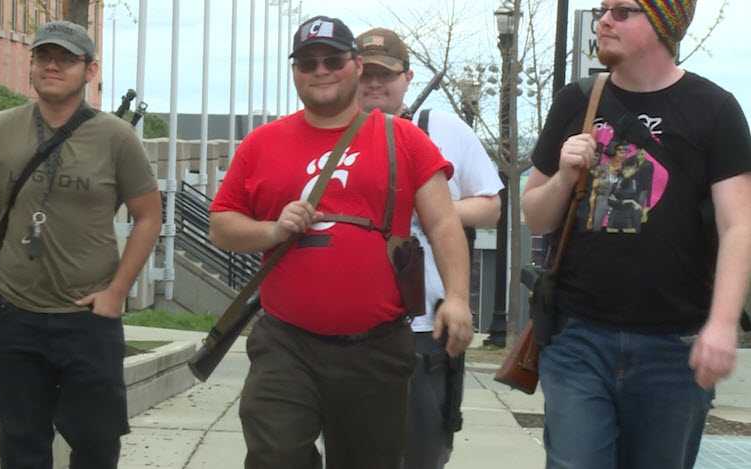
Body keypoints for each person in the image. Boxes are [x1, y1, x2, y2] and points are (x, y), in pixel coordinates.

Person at [209, 15, 472, 469]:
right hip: (285, 342)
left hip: (376, 345)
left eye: (333, 59)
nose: (321, 70)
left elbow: (445, 223)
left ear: (355, 66)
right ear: (295, 72)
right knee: (274, 454)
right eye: (308, 62)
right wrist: (271, 230)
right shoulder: (261, 143)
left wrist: (458, 299)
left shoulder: (404, 139)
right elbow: (221, 224)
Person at [522, 1, 751, 468]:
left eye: (623, 11)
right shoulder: (577, 101)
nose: (604, 20)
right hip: (578, 336)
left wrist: (723, 324)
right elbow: (534, 216)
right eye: (604, 9)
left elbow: (739, 225)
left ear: (665, 24)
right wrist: (564, 177)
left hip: (672, 349)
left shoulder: (714, 109)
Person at [0, 21, 161, 469]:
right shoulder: (0, 129)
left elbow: (149, 216)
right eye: (44, 56)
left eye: (66, 58)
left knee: (96, 446)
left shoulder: (116, 137)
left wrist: (116, 292)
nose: (53, 65)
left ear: (89, 70)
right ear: (31, 65)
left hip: (88, 319)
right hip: (14, 318)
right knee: (21, 447)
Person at [355, 27, 503, 469]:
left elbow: (491, 206)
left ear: (407, 77)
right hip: (351, 322)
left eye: (386, 74)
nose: (375, 83)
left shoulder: (443, 129)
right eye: (365, 73)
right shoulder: (335, 132)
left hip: (423, 319)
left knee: (422, 449)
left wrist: (435, 210)